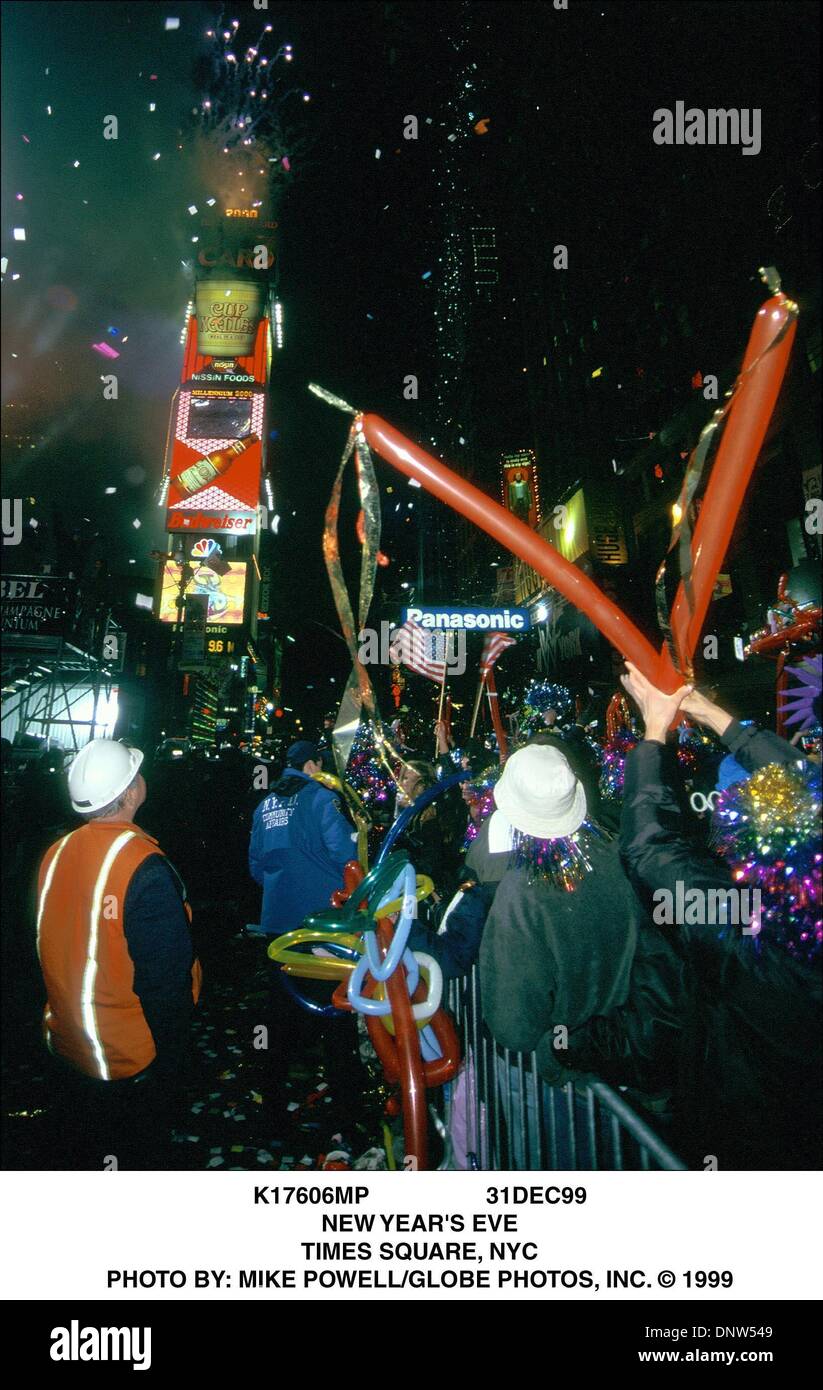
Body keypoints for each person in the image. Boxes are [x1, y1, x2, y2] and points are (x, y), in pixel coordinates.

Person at [618, 662, 823, 1169]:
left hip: (757, 1134)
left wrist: (654, 732)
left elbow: (651, 849)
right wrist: (714, 717)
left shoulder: (745, 922)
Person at [477, 742, 681, 1165]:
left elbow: (513, 1026)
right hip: (625, 1062)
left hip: (567, 1083)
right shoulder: (618, 854)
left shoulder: (522, 896)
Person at [36, 739, 201, 1169]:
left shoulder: (55, 854)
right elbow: (164, 980)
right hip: (127, 1055)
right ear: (129, 794)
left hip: (67, 1040)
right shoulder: (143, 866)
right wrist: (173, 1063)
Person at [249, 740, 357, 937]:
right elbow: (344, 853)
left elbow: (256, 863)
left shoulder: (263, 806)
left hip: (277, 915)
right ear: (309, 765)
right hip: (322, 912)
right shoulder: (322, 798)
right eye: (319, 765)